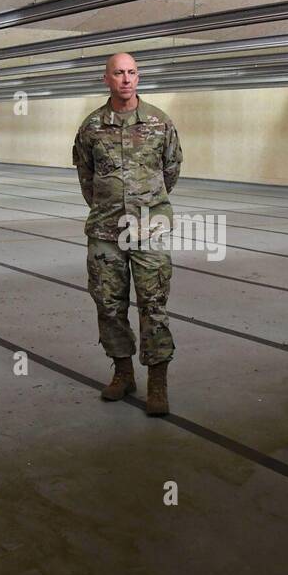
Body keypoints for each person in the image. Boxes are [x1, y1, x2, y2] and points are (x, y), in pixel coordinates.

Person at [71, 52, 183, 416]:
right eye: (118, 73)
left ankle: (158, 381)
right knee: (109, 304)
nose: (126, 79)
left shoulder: (159, 122)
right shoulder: (92, 127)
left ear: (139, 77)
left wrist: (148, 205)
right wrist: (109, 207)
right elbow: (86, 178)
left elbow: (171, 168)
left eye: (132, 72)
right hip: (106, 229)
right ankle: (122, 372)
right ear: (106, 79)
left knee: (154, 305)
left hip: (149, 228)